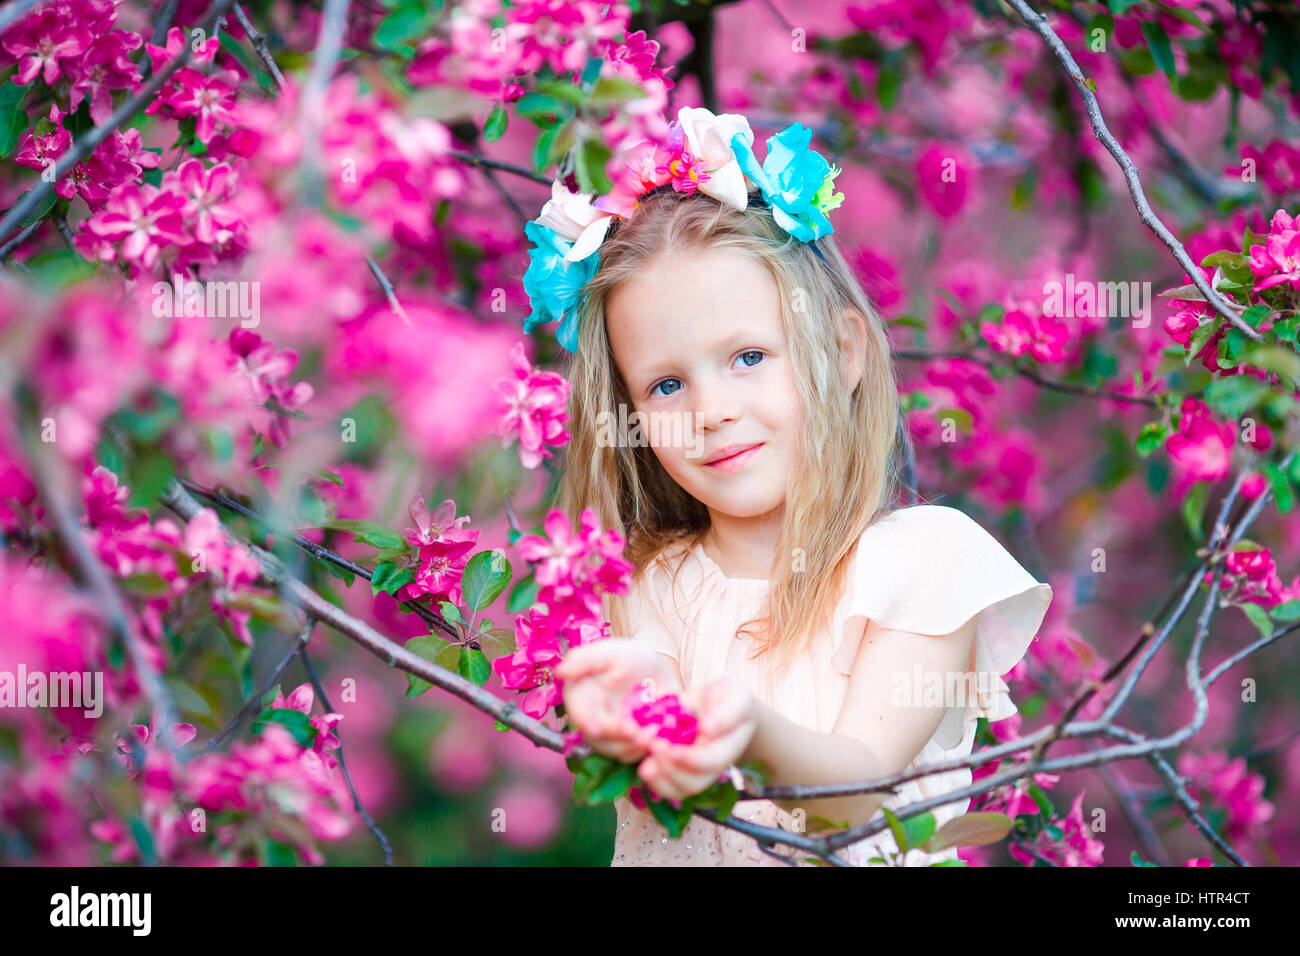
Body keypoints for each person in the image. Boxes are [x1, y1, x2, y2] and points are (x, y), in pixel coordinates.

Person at [526, 106, 1053, 865]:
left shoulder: (924, 566)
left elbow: (861, 786)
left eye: (747, 358)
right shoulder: (640, 586)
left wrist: (748, 726)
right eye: (667, 384)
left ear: (841, 354)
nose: (712, 412)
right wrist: (632, 696)